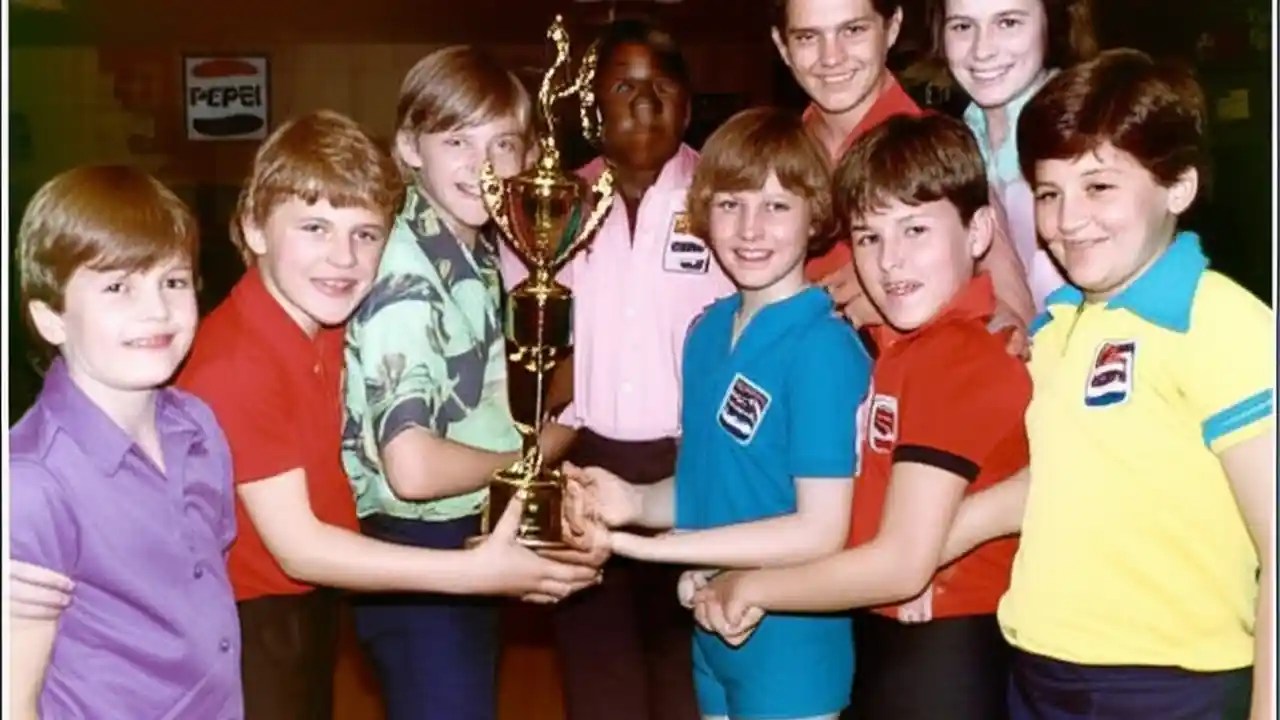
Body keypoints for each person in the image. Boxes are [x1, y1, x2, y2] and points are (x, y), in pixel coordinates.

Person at [177, 109, 597, 719]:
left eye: (365, 234)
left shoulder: (321, 324)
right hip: (243, 624)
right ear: (255, 228)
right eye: (315, 228)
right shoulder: (236, 361)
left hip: (307, 609)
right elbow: (301, 549)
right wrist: (479, 572)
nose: (342, 258)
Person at [691, 113, 1030, 720]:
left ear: (978, 231)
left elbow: (900, 563)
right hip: (890, 639)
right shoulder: (904, 346)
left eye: (916, 230)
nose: (891, 262)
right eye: (870, 238)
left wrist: (750, 585)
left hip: (947, 650)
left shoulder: (957, 357)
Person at [568, 107, 870, 720]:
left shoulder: (823, 347)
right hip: (711, 633)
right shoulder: (705, 332)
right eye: (731, 204)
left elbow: (820, 529)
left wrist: (648, 549)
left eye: (777, 206)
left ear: (816, 216)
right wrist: (632, 500)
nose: (751, 228)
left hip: (790, 646)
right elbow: (709, 486)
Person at [339, 47, 590, 720]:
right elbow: (413, 469)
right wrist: (535, 459)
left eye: (501, 143)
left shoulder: (472, 245)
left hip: (460, 540)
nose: (482, 165)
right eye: (456, 139)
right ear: (409, 148)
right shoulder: (408, 275)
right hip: (415, 554)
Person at [497, 20, 734, 720]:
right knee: (599, 683)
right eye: (624, 86)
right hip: (581, 468)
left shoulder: (726, 198)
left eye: (663, 88)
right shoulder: (550, 206)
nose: (644, 102)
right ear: (594, 105)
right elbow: (528, 351)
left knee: (685, 677)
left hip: (694, 465)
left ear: (689, 107)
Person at [10, 165, 241, 719]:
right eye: (118, 286)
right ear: (51, 318)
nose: (156, 309)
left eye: (174, 281)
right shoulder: (31, 485)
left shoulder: (198, 427)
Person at [770, 0, 1035, 330]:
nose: (831, 57)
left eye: (853, 30)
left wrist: (910, 297)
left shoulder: (936, 154)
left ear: (892, 27)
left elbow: (1014, 324)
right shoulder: (772, 158)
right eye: (808, 37)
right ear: (782, 46)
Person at [930, 0, 1096, 309]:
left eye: (1008, 23)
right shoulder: (955, 141)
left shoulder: (1088, 136)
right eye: (963, 26)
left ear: (1051, 23)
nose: (982, 50)